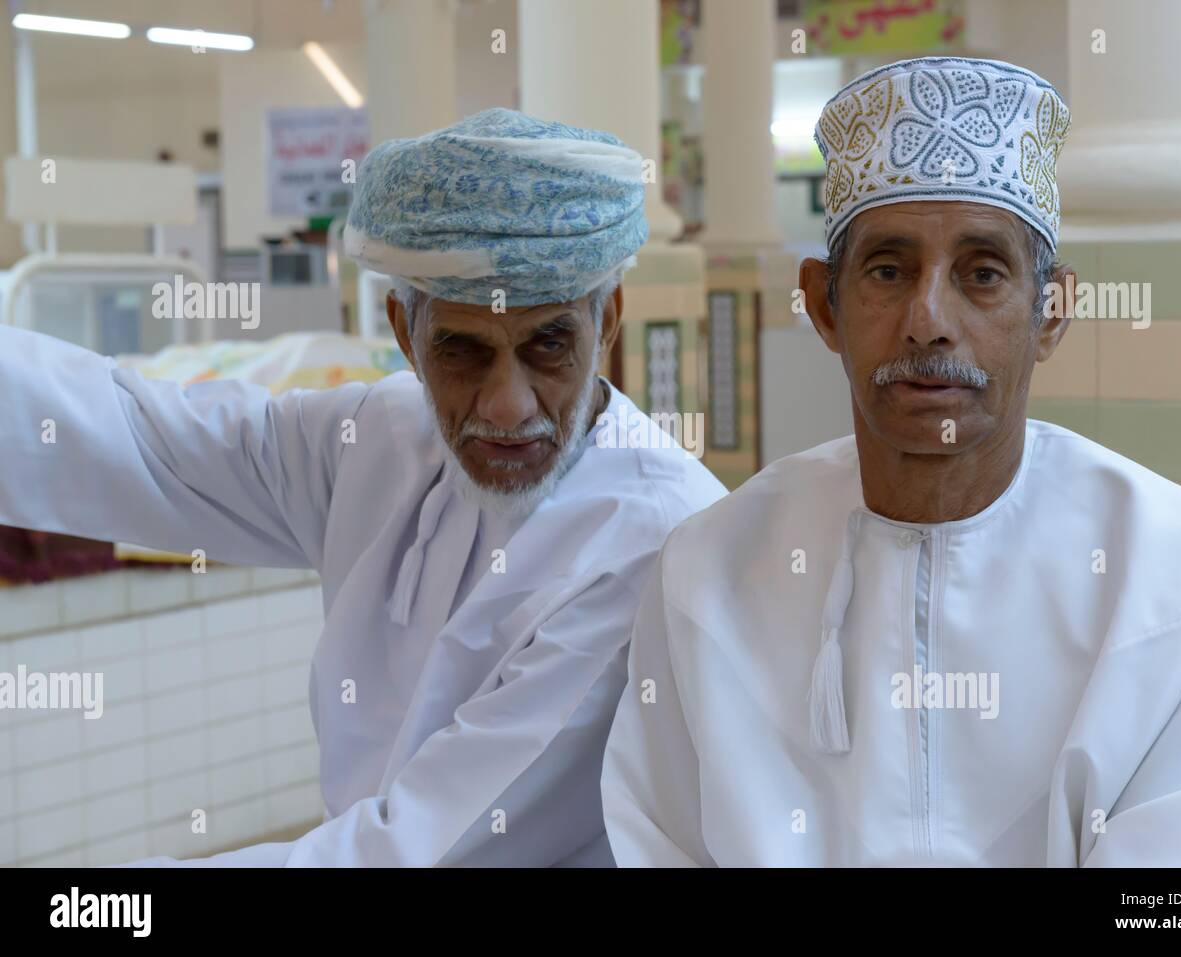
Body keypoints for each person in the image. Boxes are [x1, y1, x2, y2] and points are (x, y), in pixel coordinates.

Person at [600, 57, 1181, 866]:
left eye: (983, 273)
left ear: (1051, 310)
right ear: (825, 306)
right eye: (889, 270)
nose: (929, 319)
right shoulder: (708, 575)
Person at [0, 108, 725, 866]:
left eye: (548, 344)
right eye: (463, 351)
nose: (507, 404)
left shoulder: (653, 541)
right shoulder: (380, 438)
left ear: (606, 321)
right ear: (404, 334)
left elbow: (417, 848)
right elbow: (143, 440)